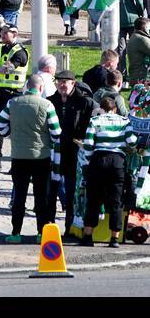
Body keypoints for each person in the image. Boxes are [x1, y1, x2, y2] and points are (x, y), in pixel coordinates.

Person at [0, 73, 62, 243]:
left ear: (26, 86)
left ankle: (16, 232)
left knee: (19, 196)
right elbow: (56, 133)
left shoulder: (12, 103)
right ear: (40, 88)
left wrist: (12, 136)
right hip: (41, 157)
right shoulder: (47, 105)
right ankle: (41, 233)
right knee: (41, 197)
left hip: (19, 157)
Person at [77, 95, 139, 248]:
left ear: (102, 109)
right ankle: (114, 239)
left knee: (94, 199)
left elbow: (89, 144)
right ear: (115, 109)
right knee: (116, 200)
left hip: (99, 160)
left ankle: (88, 237)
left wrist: (91, 159)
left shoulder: (95, 121)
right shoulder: (124, 121)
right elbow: (131, 141)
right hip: (118, 161)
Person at [48, 68, 95, 233]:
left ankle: (70, 227)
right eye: (59, 81)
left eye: (65, 82)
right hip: (53, 153)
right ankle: (47, 227)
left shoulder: (84, 102)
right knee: (50, 192)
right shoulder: (50, 101)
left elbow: (94, 122)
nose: (61, 85)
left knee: (71, 193)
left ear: (73, 83)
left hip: (73, 154)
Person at [0, 22, 30, 170]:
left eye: (6, 32)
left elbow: (7, 70)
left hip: (14, 95)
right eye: (2, 32)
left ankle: (16, 162)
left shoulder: (20, 52)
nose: (2, 35)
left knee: (14, 128)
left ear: (15, 34)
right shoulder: (1, 48)